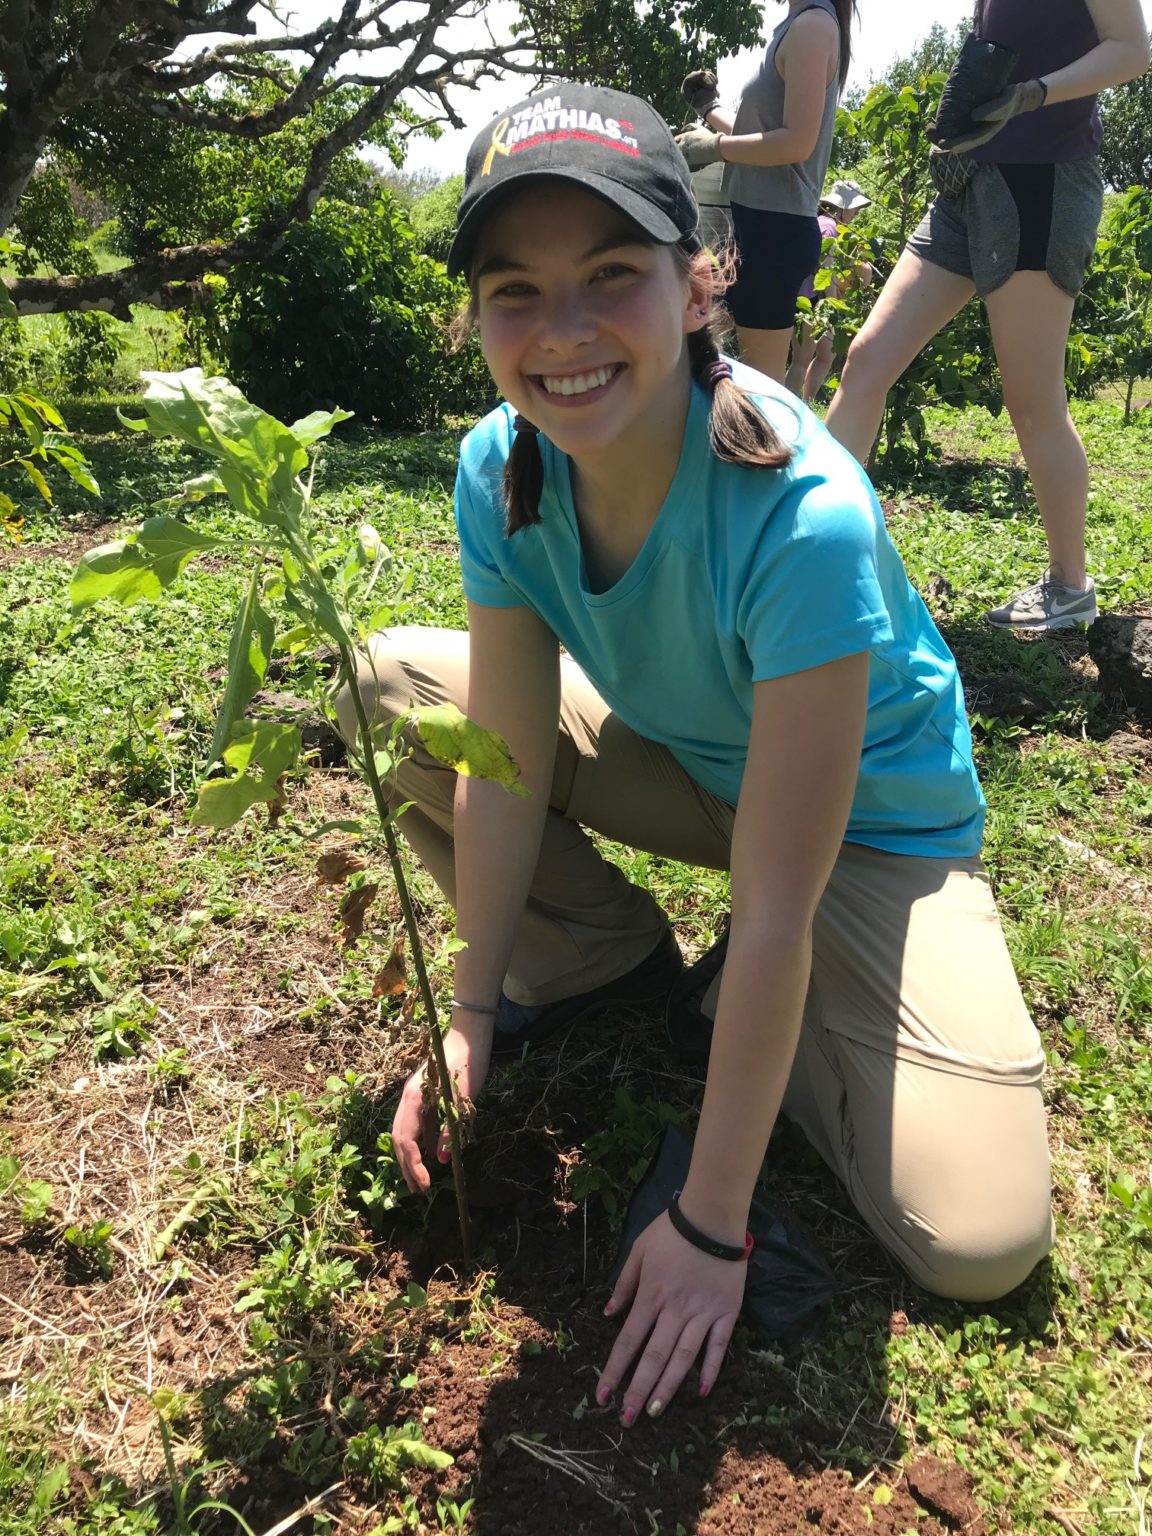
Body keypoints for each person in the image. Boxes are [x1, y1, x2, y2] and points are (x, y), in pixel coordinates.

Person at [340, 82, 1054, 1431]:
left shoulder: (802, 513)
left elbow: (777, 896)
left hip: (872, 839)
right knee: (396, 686)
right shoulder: (503, 467)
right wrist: (473, 1015)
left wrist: (710, 1219)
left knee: (979, 1235)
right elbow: (498, 759)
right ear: (476, 315)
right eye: (515, 290)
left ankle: (770, 1019)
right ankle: (607, 966)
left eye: (612, 275)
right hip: (704, 777)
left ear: (695, 286)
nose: (562, 333)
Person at [823, 0, 1151, 631]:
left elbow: (1132, 50)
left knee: (1032, 403)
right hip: (968, 179)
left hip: (1040, 182)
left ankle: (1068, 586)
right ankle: (817, 553)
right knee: (867, 362)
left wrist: (1032, 95)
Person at [675, 0, 858, 383]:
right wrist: (710, 109)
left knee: (762, 390)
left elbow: (795, 143)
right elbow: (757, 132)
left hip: (774, 232)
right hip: (754, 226)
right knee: (724, 374)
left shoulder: (812, 26)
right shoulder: (798, 25)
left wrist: (713, 148)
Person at [785, 177, 872, 402]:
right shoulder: (829, 228)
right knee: (801, 360)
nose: (855, 215)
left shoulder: (821, 222)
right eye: (854, 210)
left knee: (826, 354)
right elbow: (827, 272)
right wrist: (833, 309)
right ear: (841, 208)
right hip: (810, 300)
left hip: (811, 299)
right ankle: (788, 410)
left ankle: (805, 403)